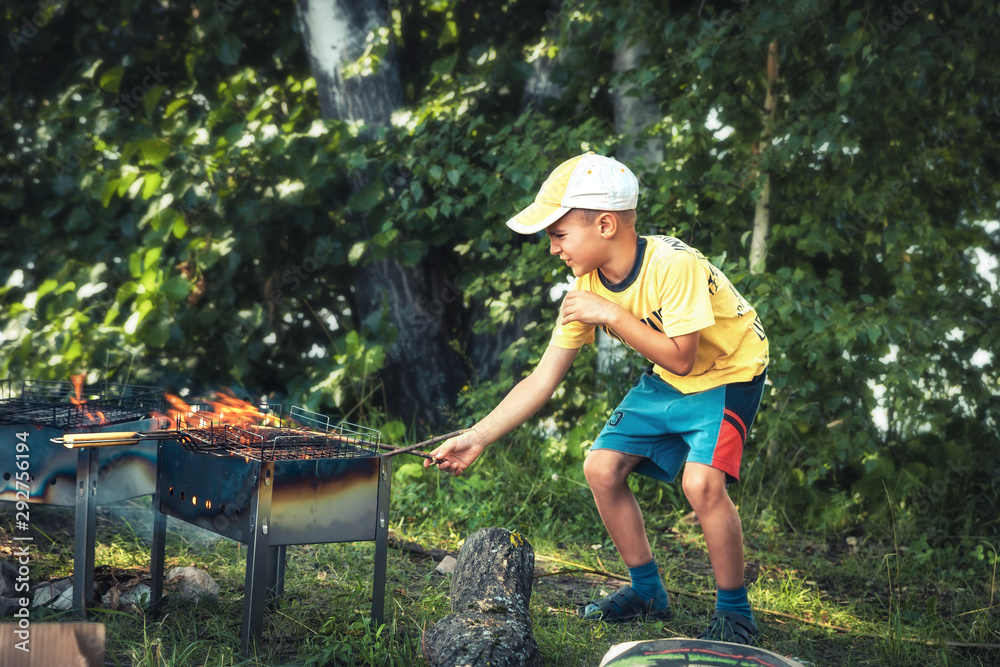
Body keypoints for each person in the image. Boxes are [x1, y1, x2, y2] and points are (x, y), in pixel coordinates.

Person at [426, 152, 769, 645]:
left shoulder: (674, 266)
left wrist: (610, 313)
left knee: (702, 485)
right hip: (669, 377)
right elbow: (542, 378)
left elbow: (683, 359)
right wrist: (477, 437)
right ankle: (648, 591)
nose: (552, 249)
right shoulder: (587, 287)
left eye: (558, 235)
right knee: (600, 468)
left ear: (606, 224)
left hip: (729, 373)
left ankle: (734, 611)